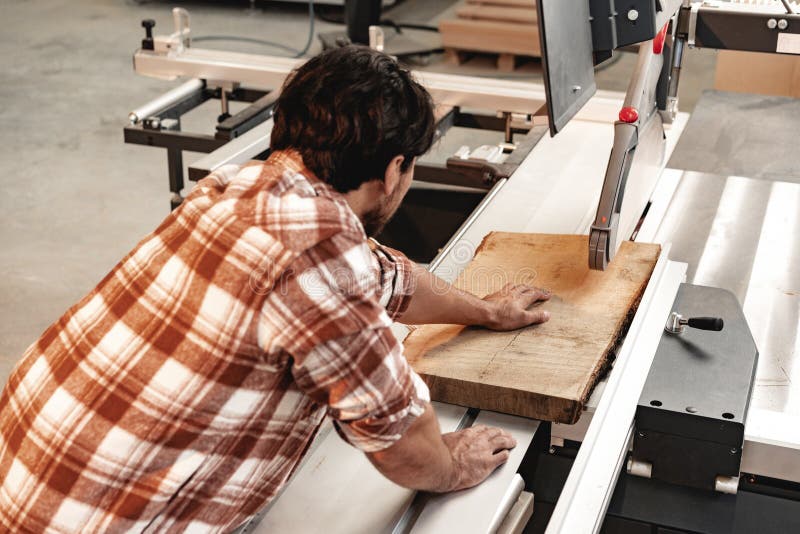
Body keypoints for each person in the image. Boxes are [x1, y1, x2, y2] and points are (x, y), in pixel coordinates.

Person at [0, 45, 551, 532]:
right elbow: (400, 439)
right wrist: (454, 463)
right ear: (394, 171)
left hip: (23, 482)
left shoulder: (238, 189)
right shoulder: (321, 258)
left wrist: (486, 311)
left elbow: (387, 278)